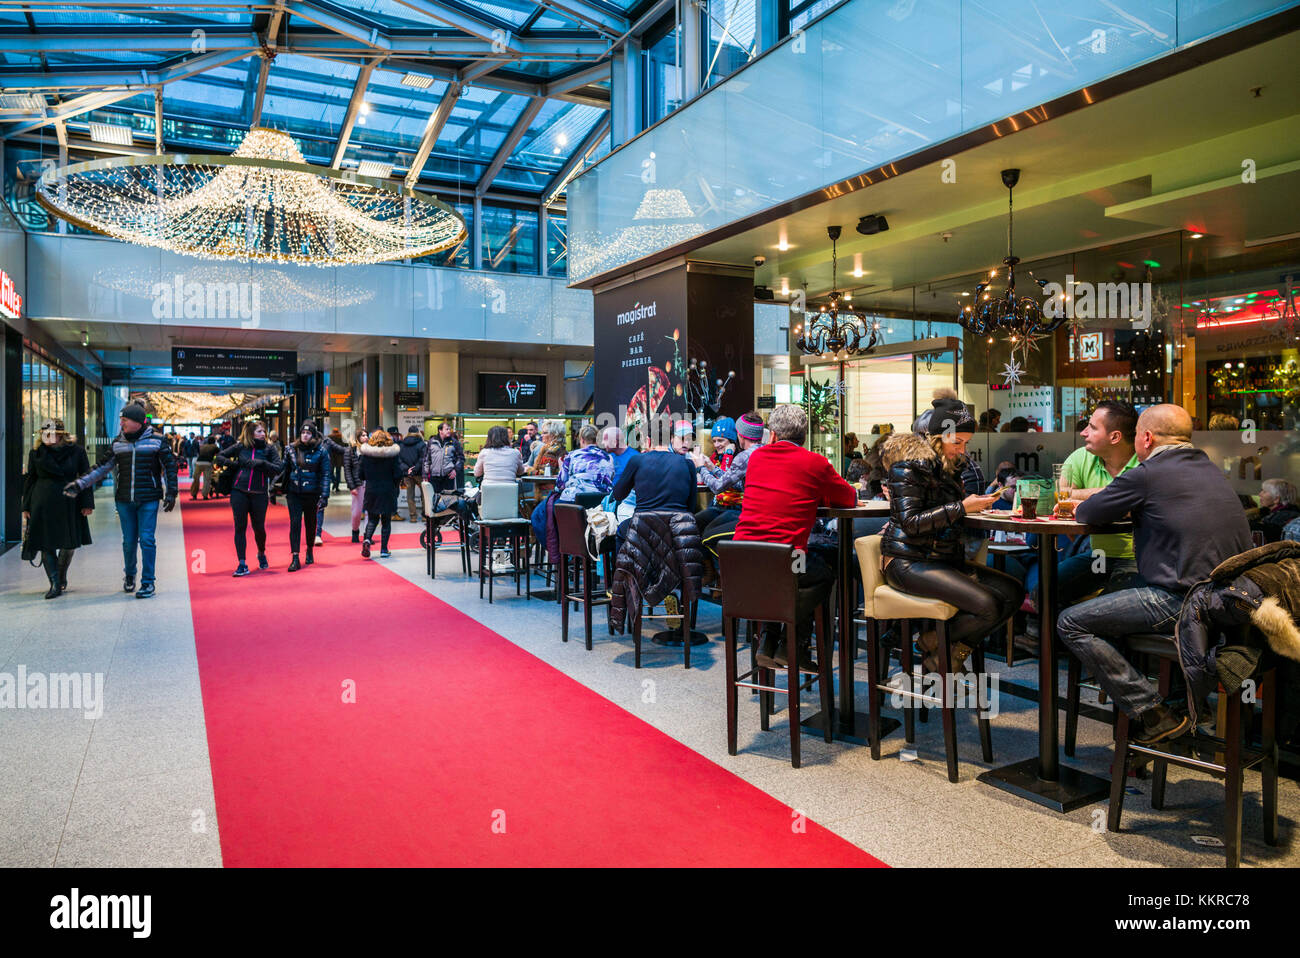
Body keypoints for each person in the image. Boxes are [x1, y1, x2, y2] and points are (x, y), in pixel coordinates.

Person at [1058, 404, 1253, 744]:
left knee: (1071, 622)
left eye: (1136, 436)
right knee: (1113, 609)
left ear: (1146, 438)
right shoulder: (1208, 468)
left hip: (1185, 601)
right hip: (1231, 599)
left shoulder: (1148, 472)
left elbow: (1088, 512)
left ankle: (1153, 713)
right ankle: (1182, 703)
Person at [877, 406, 1020, 674]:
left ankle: (941, 649)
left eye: (966, 443)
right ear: (937, 438)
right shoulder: (906, 467)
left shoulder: (952, 467)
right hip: (907, 561)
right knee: (988, 606)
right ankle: (942, 652)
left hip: (941, 559)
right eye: (957, 442)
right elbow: (911, 523)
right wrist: (963, 508)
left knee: (1012, 593)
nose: (963, 450)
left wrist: (979, 508)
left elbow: (949, 514)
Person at [731, 404, 858, 671]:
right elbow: (849, 498)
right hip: (787, 561)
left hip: (743, 561)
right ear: (804, 437)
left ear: (773, 435)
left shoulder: (756, 459)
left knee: (796, 573)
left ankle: (769, 639)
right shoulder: (815, 463)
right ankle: (792, 646)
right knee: (823, 572)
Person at [64, 402, 177, 598]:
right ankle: (130, 575)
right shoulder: (118, 443)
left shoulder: (157, 441)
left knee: (147, 540)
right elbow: (101, 468)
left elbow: (170, 467)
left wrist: (171, 492)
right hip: (124, 499)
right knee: (129, 541)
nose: (122, 423)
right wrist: (79, 484)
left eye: (125, 420)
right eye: (121, 420)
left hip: (148, 498)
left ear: (137, 422)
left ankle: (148, 582)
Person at [1043, 400, 1142, 603]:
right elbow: (1062, 495)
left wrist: (1082, 495)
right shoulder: (1081, 457)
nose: (1083, 432)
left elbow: (1070, 497)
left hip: (1137, 559)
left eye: (1092, 427)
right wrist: (1119, 493)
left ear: (1115, 437)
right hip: (1098, 556)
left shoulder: (1145, 461)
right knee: (1045, 592)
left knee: (1108, 606)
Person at [24, 419, 93, 599]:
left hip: (69, 501)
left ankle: (61, 575)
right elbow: (30, 480)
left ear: (62, 435)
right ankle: (54, 583)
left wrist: (87, 503)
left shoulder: (76, 452)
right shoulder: (36, 453)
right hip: (42, 502)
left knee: (68, 544)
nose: (48, 437)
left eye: (53, 433)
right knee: (46, 544)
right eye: (45, 433)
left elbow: (86, 477)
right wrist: (26, 506)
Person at [610, 424, 698, 551]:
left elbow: (618, 495)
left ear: (648, 440)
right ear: (671, 439)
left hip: (643, 528)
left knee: (621, 531)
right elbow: (691, 506)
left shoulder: (637, 460)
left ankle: (623, 570)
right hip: (677, 530)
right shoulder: (688, 464)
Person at [215, 420, 282, 577]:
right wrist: (235, 465)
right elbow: (219, 457)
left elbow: (278, 468)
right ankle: (242, 563)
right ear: (251, 433)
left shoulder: (269, 449)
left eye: (264, 431)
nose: (263, 434)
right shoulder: (240, 447)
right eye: (259, 431)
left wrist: (260, 463)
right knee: (240, 527)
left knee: (259, 528)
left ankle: (261, 552)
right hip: (239, 492)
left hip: (259, 494)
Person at [694, 411, 765, 551]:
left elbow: (717, 487)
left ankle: (722, 572)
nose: (716, 444)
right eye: (714, 441)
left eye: (720, 440)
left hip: (745, 513)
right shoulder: (763, 451)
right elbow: (737, 484)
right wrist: (713, 468)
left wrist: (700, 468)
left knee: (708, 536)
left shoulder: (743, 456)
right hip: (759, 514)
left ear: (739, 435)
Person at [280, 421, 331, 571]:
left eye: (308, 433)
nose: (305, 435)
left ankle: (309, 549)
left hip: (312, 493)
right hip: (294, 492)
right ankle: (295, 557)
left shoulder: (321, 451)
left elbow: (326, 474)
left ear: (313, 435)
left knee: (311, 523)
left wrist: (324, 495)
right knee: (295, 523)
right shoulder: (291, 449)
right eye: (303, 433)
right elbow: (283, 469)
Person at [359, 427, 402, 559]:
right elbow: (398, 474)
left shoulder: (366, 456)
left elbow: (361, 475)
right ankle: (384, 549)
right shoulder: (392, 456)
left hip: (371, 491)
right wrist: (395, 486)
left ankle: (367, 540)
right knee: (386, 521)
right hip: (388, 490)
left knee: (372, 519)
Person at [556, 424, 613, 507]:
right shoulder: (608, 457)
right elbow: (609, 480)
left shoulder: (572, 455)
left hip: (574, 501)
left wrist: (561, 467)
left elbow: (560, 484)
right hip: (600, 502)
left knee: (545, 509)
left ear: (582, 440)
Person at [1252, 479, 1300, 543]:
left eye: (1264, 491)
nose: (1259, 494)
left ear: (1276, 499)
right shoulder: (1269, 513)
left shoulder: (1284, 517)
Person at [343, 428, 369, 544]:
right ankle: (355, 531)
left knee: (370, 511)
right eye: (363, 435)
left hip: (369, 483)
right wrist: (351, 486)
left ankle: (368, 535)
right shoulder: (351, 450)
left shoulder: (370, 449)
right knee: (357, 512)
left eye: (366, 435)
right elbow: (347, 470)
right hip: (357, 485)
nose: (366, 437)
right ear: (358, 437)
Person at [397, 425, 427, 523]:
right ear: (418, 432)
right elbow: (422, 459)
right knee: (424, 495)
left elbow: (399, 459)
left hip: (407, 474)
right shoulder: (422, 444)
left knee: (410, 495)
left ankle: (413, 517)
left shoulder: (401, 444)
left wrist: (407, 469)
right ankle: (424, 516)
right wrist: (414, 469)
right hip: (419, 473)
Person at [192, 434, 218, 500]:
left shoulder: (203, 446)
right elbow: (218, 455)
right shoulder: (215, 447)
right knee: (207, 480)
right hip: (208, 463)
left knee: (196, 479)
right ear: (214, 441)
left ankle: (194, 494)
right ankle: (205, 495)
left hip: (198, 463)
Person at [328, 427, 346, 492]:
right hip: (339, 457)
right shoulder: (341, 437)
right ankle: (337, 486)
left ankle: (334, 482)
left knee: (330, 472)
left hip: (331, 457)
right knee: (338, 472)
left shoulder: (329, 437)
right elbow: (344, 446)